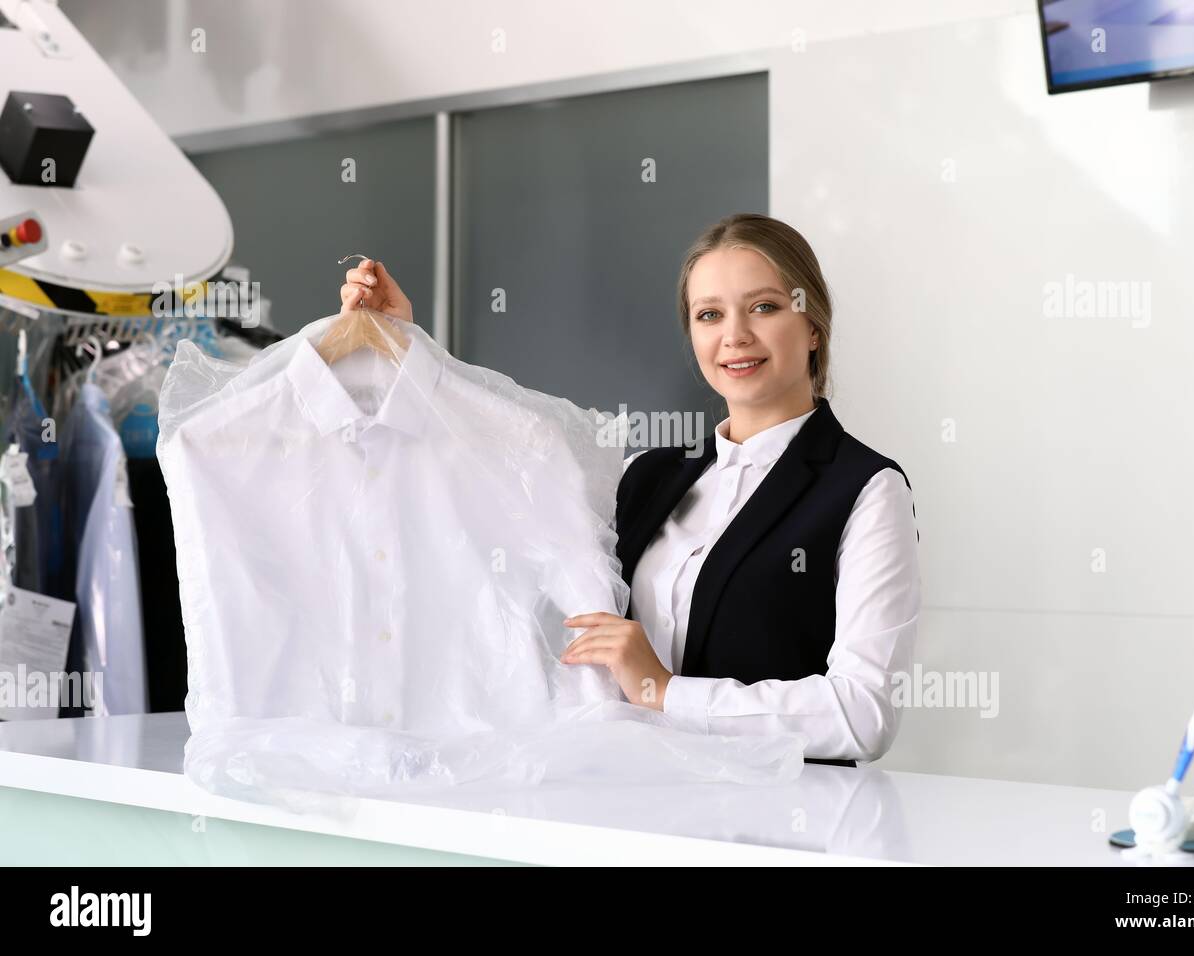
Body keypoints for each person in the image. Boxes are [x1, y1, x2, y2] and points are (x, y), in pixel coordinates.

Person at [339, 213, 921, 765]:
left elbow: (862, 714)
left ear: (813, 326)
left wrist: (665, 692)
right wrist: (410, 353)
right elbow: (505, 479)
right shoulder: (647, 475)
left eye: (763, 307)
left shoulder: (865, 489)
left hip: (779, 827)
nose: (735, 336)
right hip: (635, 804)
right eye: (709, 315)